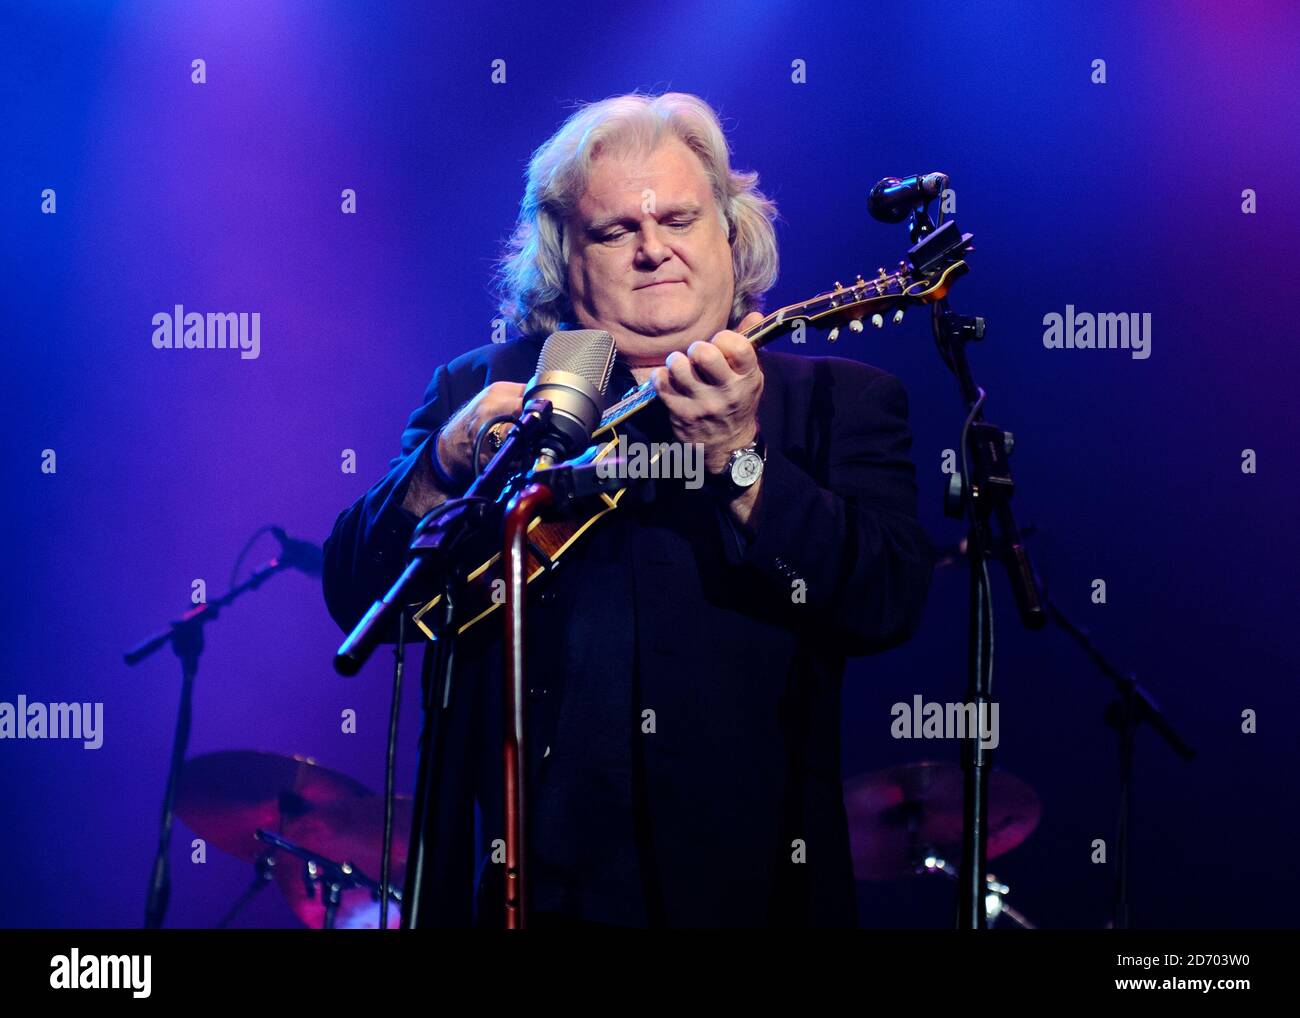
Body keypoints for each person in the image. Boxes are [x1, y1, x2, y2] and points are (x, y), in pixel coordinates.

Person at [323, 92, 935, 928]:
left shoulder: (837, 401)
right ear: (563, 259)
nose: (655, 250)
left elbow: (886, 601)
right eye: (616, 232)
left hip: (753, 895)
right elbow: (361, 598)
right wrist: (444, 462)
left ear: (730, 231)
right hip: (524, 891)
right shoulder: (484, 388)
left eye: (680, 219)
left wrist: (741, 460)